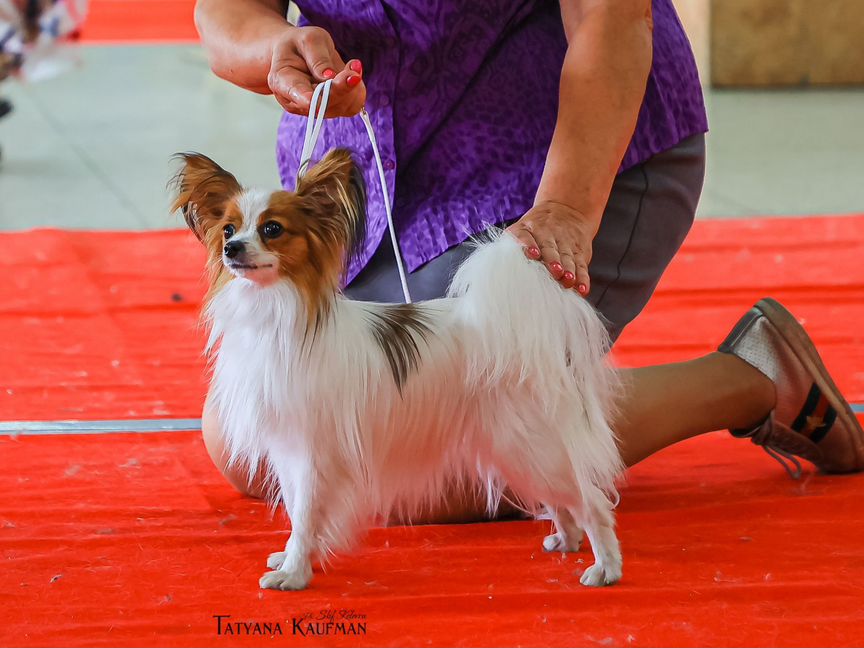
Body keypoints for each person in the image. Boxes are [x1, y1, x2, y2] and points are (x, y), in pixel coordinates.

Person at [193, 0, 864, 521]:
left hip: (561, 166)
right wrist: (271, 47)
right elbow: (224, 12)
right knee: (252, 440)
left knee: (443, 462)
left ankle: (751, 379)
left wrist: (569, 208)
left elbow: (609, 16)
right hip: (381, 190)